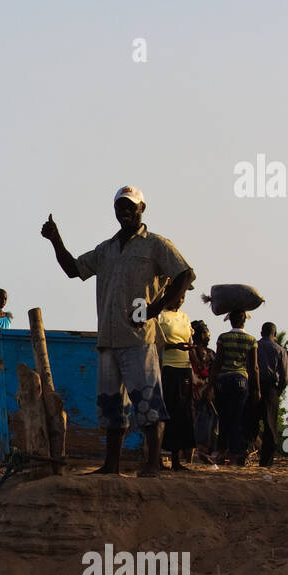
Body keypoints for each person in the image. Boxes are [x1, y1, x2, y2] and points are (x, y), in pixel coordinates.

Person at [41, 185, 195, 476]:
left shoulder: (156, 245)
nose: (124, 212)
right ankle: (111, 465)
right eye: (120, 207)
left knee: (148, 402)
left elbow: (185, 274)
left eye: (130, 207)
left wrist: (155, 308)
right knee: (111, 405)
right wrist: (55, 239)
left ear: (142, 209)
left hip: (139, 338)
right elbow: (74, 269)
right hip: (108, 339)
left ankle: (152, 464)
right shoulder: (106, 249)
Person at [211, 311, 260, 466]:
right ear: (244, 320)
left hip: (223, 381)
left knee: (224, 417)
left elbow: (217, 363)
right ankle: (234, 454)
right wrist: (256, 389)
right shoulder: (251, 340)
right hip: (241, 382)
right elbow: (254, 368)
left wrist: (210, 385)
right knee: (237, 418)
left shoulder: (223, 338)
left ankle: (221, 452)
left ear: (230, 320)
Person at [157, 285, 195, 470]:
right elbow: (157, 343)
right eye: (178, 296)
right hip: (168, 367)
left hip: (185, 368)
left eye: (183, 297)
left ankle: (177, 459)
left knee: (183, 412)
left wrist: (196, 359)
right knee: (169, 410)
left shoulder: (185, 317)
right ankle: (158, 455)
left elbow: (189, 342)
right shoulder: (160, 316)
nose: (181, 300)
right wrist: (174, 347)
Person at [256, 322, 288, 467]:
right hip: (271, 389)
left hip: (253, 387)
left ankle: (242, 455)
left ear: (261, 332)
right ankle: (266, 461)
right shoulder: (280, 350)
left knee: (249, 422)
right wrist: (278, 391)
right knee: (270, 427)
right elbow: (285, 376)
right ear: (274, 335)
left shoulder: (255, 347)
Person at [189, 319, 218, 463]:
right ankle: (195, 452)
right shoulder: (191, 351)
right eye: (207, 332)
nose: (209, 335)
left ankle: (203, 450)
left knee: (208, 420)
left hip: (206, 392)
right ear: (201, 335)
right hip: (194, 390)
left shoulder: (211, 353)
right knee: (193, 420)